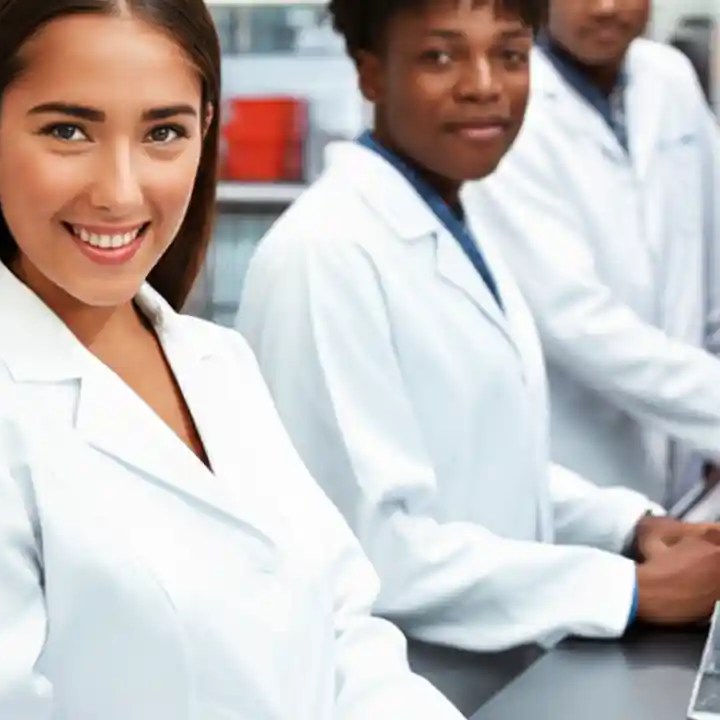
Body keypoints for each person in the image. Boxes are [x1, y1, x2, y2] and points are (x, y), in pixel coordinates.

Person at [0, 1, 464, 718]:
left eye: (163, 132)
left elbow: (344, 630)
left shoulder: (217, 363)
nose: (120, 192)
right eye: (69, 131)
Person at [235, 0, 720, 654]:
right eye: (441, 56)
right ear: (371, 74)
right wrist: (627, 590)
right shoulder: (324, 255)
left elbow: (483, 453)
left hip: (496, 673)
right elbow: (372, 549)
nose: (485, 85)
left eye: (510, 55)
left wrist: (627, 526)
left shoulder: (453, 219)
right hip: (405, 685)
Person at [463, 0, 720, 507]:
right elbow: (576, 321)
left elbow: (712, 269)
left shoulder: (668, 78)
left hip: (688, 471)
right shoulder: (502, 102)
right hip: (575, 469)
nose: (605, 7)